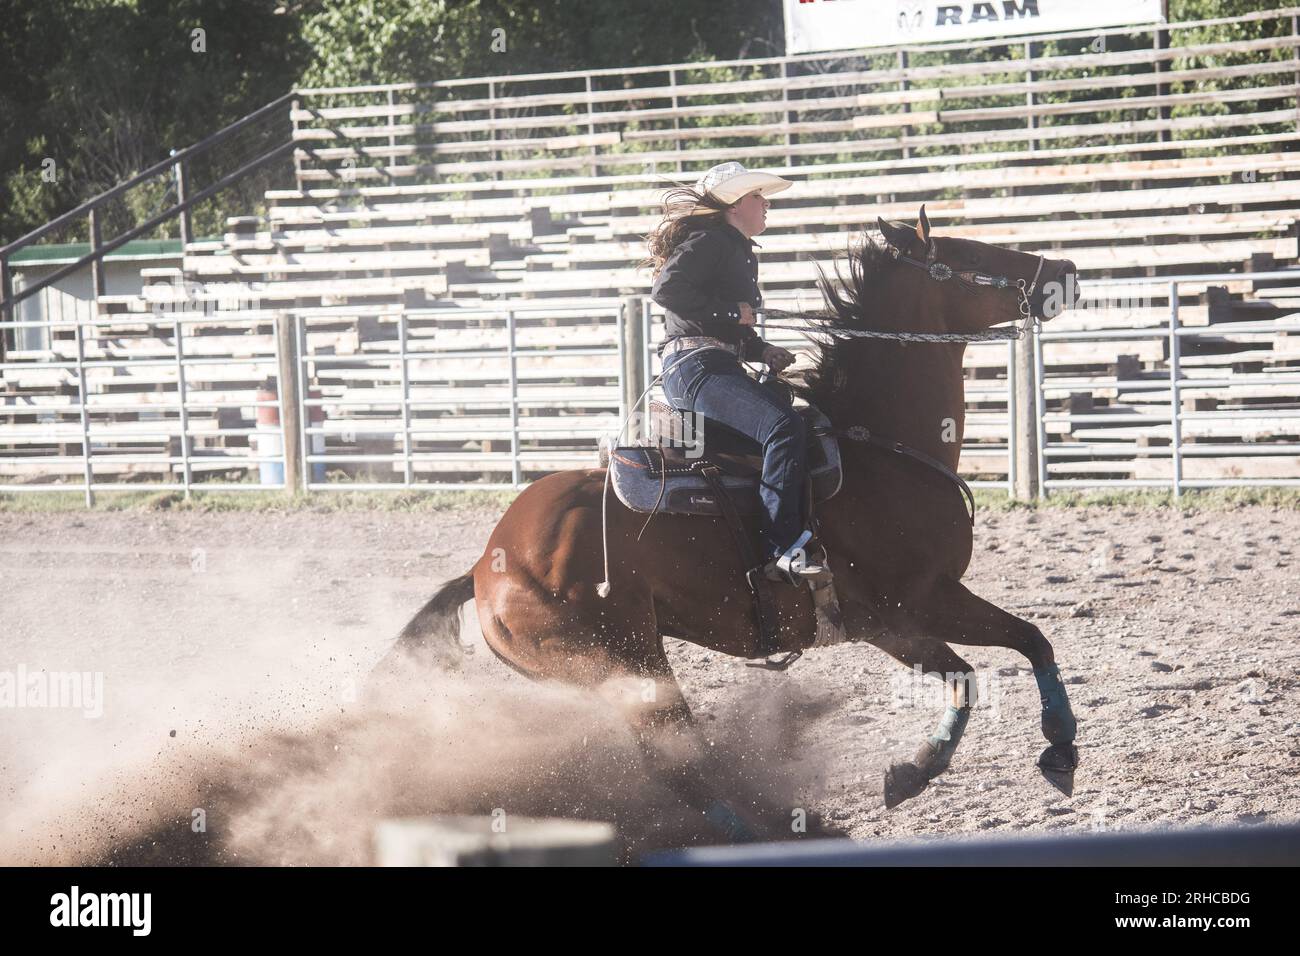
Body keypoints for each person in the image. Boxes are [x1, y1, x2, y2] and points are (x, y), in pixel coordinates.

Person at [642, 161, 827, 585]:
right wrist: (728, 311)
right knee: (783, 427)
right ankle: (783, 548)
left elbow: (728, 327)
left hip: (713, 363)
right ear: (734, 204)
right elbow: (666, 291)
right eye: (756, 197)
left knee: (785, 424)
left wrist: (762, 350)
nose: (766, 205)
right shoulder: (711, 240)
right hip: (695, 367)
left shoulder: (736, 249)